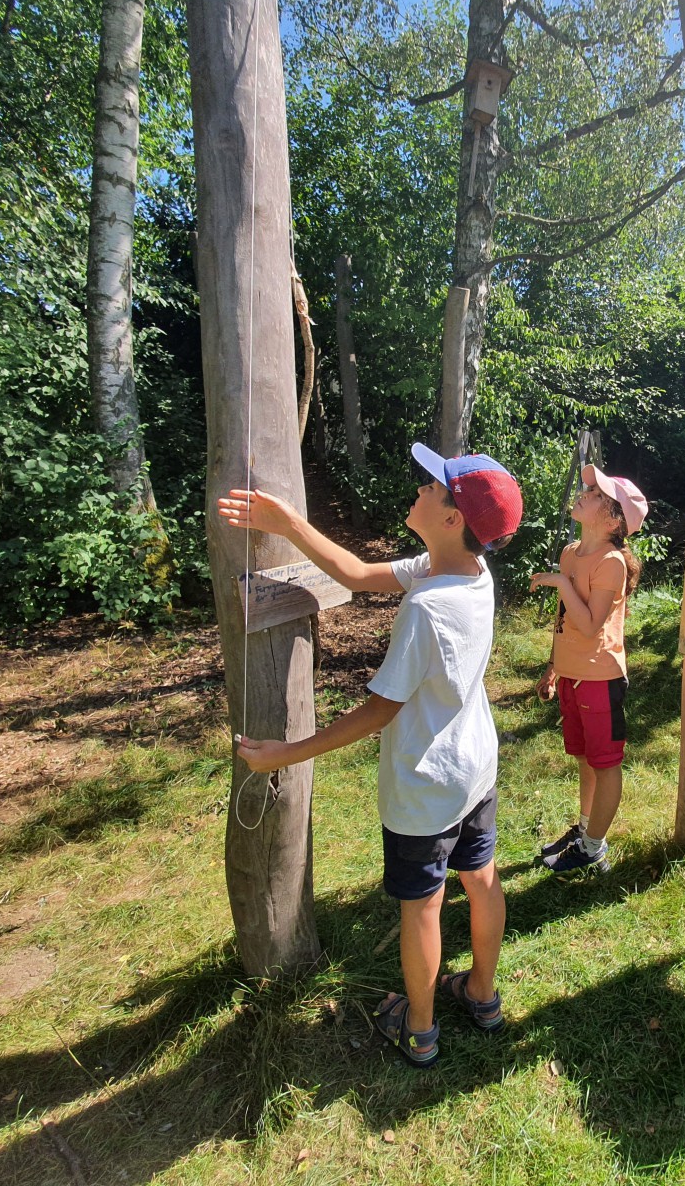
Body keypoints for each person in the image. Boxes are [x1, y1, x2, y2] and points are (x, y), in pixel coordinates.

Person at [218, 444, 522, 1068]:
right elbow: (356, 574)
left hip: (426, 785)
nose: (419, 488)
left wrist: (286, 754)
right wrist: (288, 524)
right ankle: (483, 995)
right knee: (481, 877)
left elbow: (379, 711)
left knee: (425, 906)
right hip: (475, 767)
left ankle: (418, 1028)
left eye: (432, 487)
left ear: (451, 518)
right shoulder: (466, 573)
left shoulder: (427, 606)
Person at [530, 464, 647, 881]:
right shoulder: (570, 554)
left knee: (605, 762)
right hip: (573, 675)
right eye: (589, 488)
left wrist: (562, 583)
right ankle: (585, 830)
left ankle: (595, 848)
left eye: (596, 493)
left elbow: (591, 624)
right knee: (584, 757)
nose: (585, 492)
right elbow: (564, 622)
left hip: (601, 680)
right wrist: (553, 667)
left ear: (613, 519)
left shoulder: (611, 563)